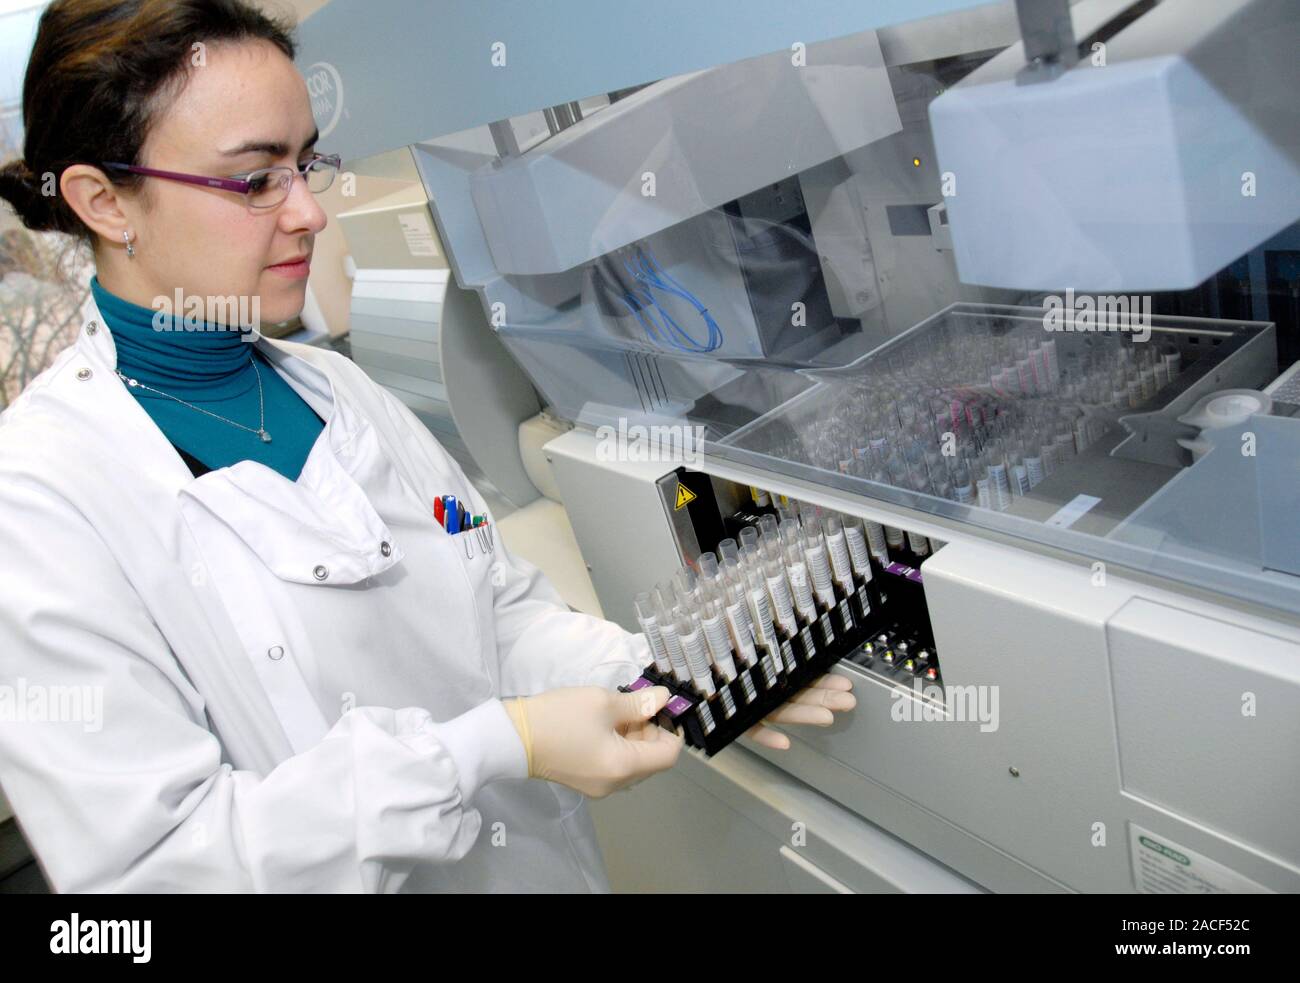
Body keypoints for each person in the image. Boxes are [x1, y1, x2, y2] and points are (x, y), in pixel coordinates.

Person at [0, 0, 855, 893]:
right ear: (104, 201)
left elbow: (498, 608)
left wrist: (676, 678)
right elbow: (156, 869)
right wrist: (494, 744)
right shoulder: (39, 501)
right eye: (254, 181)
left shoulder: (343, 394)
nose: (309, 213)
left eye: (307, 165)